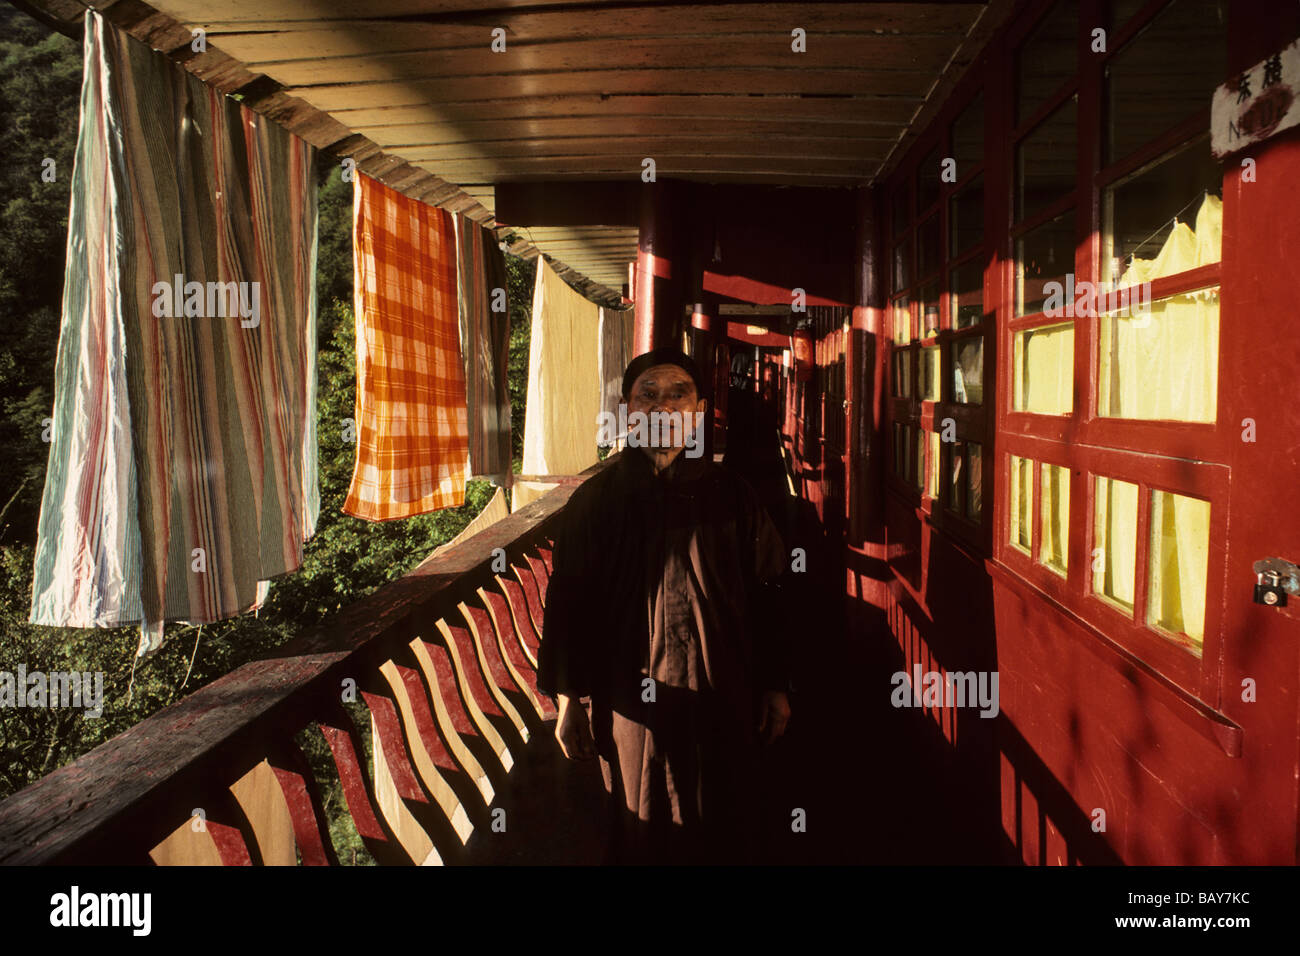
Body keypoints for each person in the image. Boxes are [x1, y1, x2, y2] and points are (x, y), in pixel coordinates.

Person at [537, 347, 793, 864]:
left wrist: (776, 684)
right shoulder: (596, 502)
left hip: (725, 687)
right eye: (647, 395)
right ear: (628, 411)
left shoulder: (734, 496)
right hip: (631, 701)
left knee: (728, 814)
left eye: (679, 394)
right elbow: (569, 603)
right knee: (639, 817)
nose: (662, 407)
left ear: (699, 412)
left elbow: (772, 594)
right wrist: (568, 702)